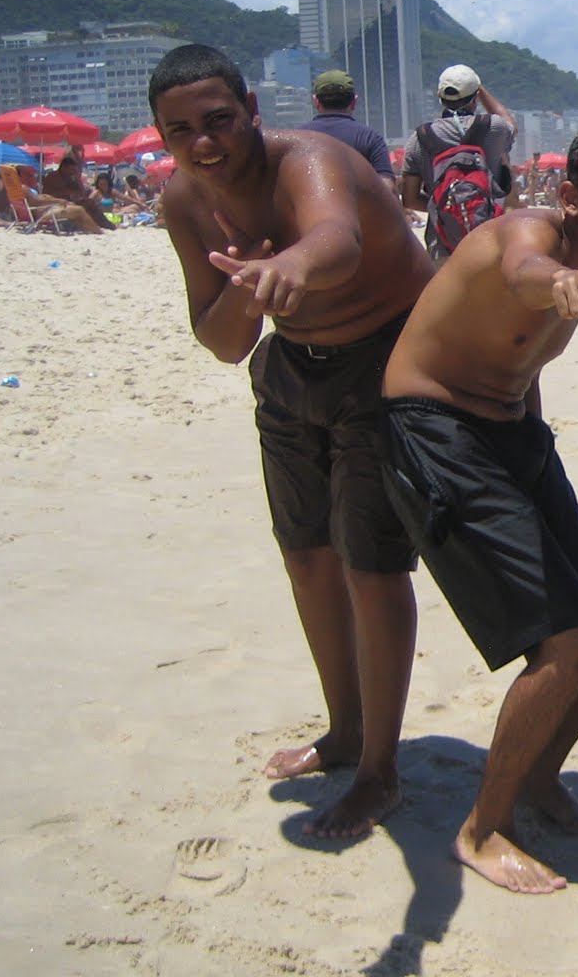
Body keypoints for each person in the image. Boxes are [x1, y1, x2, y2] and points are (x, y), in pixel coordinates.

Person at [150, 43, 435, 839]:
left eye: (218, 120)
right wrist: (249, 291)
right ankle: (344, 731)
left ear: (250, 110)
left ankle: (379, 770)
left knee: (372, 565)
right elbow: (221, 340)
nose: (204, 143)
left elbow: (336, 237)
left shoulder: (309, 158)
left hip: (383, 360)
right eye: (181, 131)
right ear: (162, 137)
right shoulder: (184, 202)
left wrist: (291, 268)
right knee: (307, 556)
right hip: (289, 372)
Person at [380, 120, 578, 895]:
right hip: (435, 431)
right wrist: (567, 287)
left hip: (513, 433)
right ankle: (482, 828)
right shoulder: (533, 235)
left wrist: (533, 451)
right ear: (571, 195)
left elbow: (520, 358)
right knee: (567, 643)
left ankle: (538, 779)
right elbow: (524, 271)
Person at [400, 64, 518, 253]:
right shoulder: (494, 127)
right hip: (490, 239)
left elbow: (410, 199)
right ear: (475, 97)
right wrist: (480, 89)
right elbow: (511, 124)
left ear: (440, 97)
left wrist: (442, 206)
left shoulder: (420, 138)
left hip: (441, 244)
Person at [299, 69, 397, 195]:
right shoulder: (370, 138)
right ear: (354, 101)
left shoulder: (298, 137)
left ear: (316, 102)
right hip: (358, 213)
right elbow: (386, 187)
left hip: (309, 213)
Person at [44, 150, 117, 230]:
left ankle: (102, 223)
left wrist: (77, 178)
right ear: (63, 167)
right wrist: (68, 194)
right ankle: (101, 225)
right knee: (88, 204)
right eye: (71, 170)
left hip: (68, 201)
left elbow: (81, 191)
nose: (72, 172)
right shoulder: (53, 177)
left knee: (90, 202)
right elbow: (48, 194)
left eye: (74, 170)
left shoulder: (69, 177)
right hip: (55, 203)